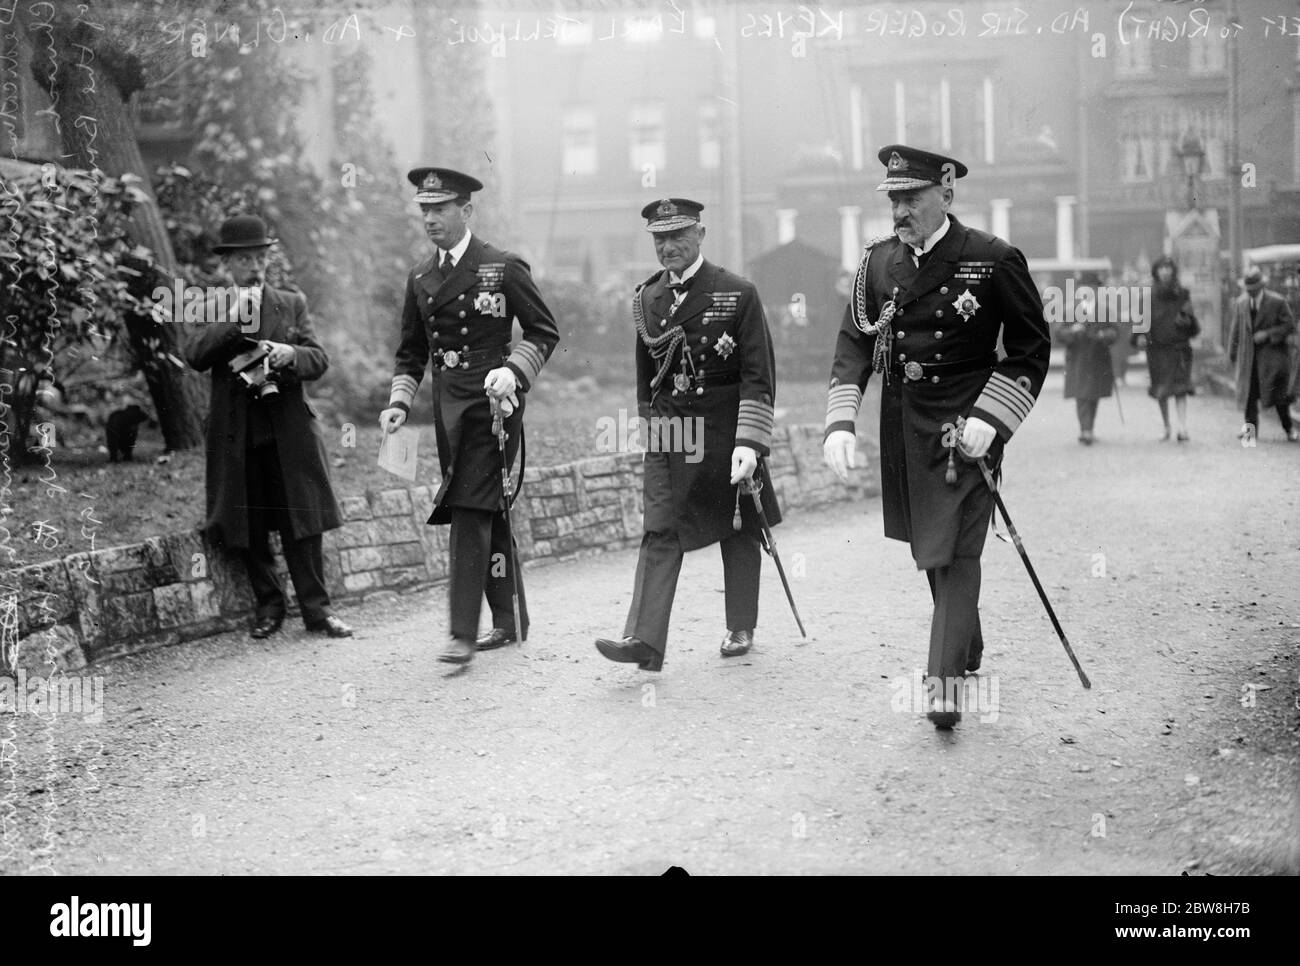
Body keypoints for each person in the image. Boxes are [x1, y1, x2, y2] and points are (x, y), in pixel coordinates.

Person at [822, 145, 1050, 728]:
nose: (901, 210)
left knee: (957, 544)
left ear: (946, 195)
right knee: (931, 542)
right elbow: (854, 345)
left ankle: (944, 684)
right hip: (905, 421)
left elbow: (1029, 349)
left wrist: (992, 418)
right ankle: (964, 645)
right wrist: (841, 421)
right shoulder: (877, 264)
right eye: (895, 199)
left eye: (913, 198)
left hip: (967, 423)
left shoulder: (992, 259)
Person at [379, 167, 560, 665]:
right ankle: (510, 617)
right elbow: (411, 352)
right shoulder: (420, 276)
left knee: (469, 505)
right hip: (447, 408)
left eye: (440, 209)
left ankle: (462, 632)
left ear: (466, 211)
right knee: (487, 503)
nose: (431, 218)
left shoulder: (500, 267)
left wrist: (515, 372)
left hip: (494, 403)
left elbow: (544, 332)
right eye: (425, 210)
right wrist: (398, 402)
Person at [593, 198, 779, 672]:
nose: (668, 247)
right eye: (659, 239)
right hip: (672, 433)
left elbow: (759, 374)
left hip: (725, 429)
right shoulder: (647, 298)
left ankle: (740, 625)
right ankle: (643, 640)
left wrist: (750, 442)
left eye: (678, 236)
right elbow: (644, 377)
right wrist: (650, 432)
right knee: (659, 526)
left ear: (700, 234)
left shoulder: (735, 292)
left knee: (736, 525)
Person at [183, 214, 353, 640]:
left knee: (303, 520)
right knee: (249, 524)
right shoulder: (210, 304)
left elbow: (319, 358)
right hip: (236, 435)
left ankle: (318, 610)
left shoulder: (291, 302)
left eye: (259, 257)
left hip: (289, 432)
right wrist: (234, 320)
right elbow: (195, 354)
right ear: (228, 264)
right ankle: (269, 607)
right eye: (244, 260)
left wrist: (287, 353)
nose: (254, 267)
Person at [1229, 267, 1298, 442]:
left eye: (1254, 289)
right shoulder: (1241, 303)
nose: (1251, 293)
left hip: (1273, 357)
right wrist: (1232, 352)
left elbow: (1289, 325)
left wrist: (1268, 334)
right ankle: (1250, 432)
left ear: (1261, 287)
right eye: (1248, 290)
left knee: (1280, 396)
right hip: (1249, 357)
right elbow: (1235, 329)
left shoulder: (1277, 301)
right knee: (1249, 395)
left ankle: (1289, 429)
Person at [1134, 255, 1197, 442]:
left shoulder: (1183, 293)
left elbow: (1190, 316)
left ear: (1173, 270)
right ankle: (1166, 426)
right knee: (1161, 389)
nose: (1165, 271)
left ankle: (1182, 428)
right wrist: (1139, 337)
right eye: (1161, 268)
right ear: (1156, 271)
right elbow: (1141, 320)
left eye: (1168, 267)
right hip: (1157, 349)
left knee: (1180, 388)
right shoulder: (1147, 295)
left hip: (1179, 347)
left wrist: (1187, 320)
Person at [1060, 274, 1118, 444]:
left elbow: (1114, 332)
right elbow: (1058, 333)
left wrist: (1103, 335)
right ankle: (1085, 430)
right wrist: (1072, 331)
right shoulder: (1070, 310)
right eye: (1084, 287)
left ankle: (1089, 428)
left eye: (1092, 288)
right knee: (1081, 395)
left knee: (1093, 395)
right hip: (1077, 358)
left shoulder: (1105, 310)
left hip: (1098, 359)